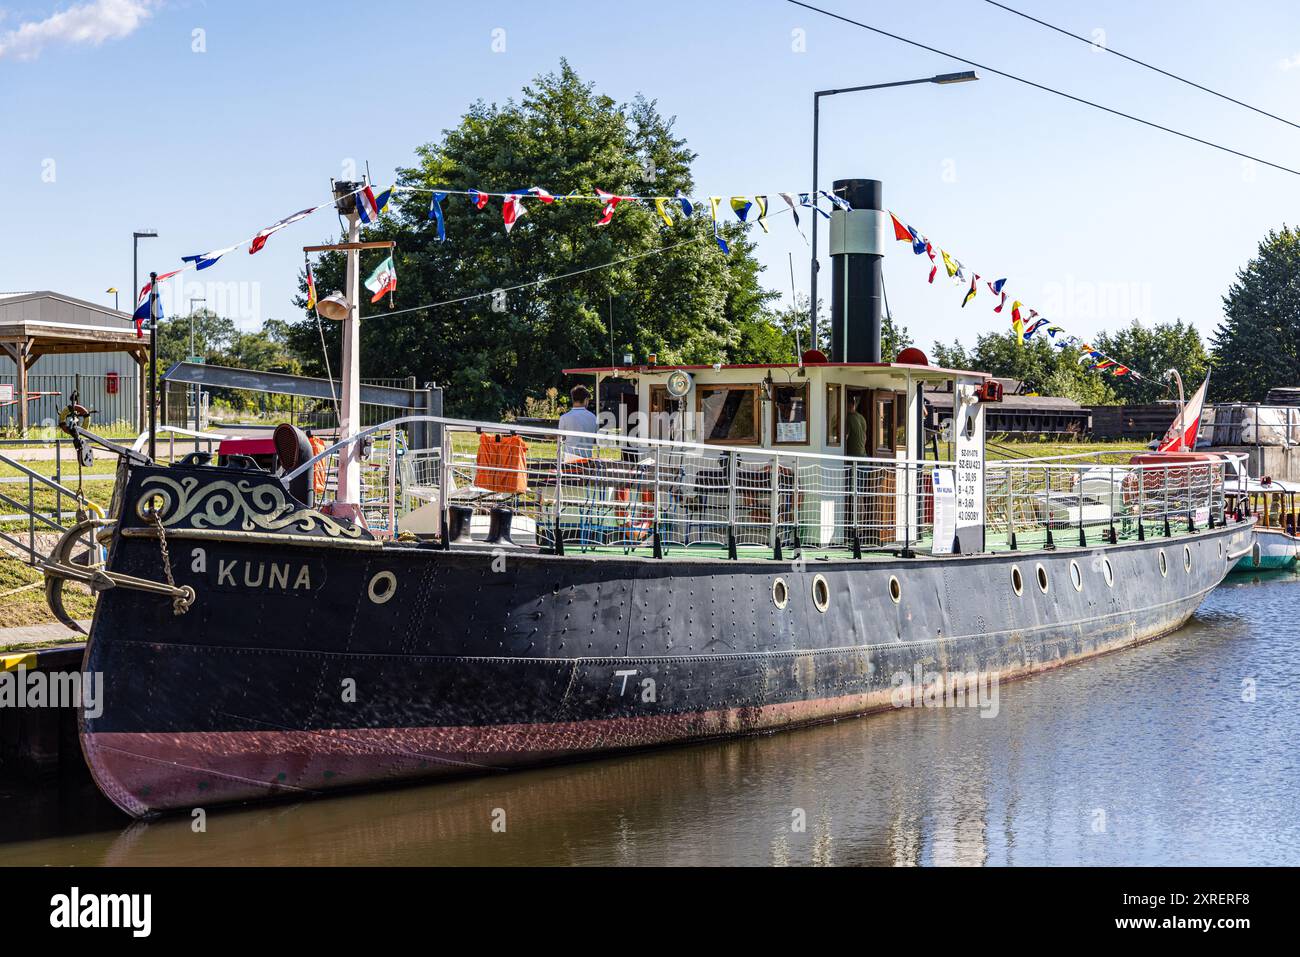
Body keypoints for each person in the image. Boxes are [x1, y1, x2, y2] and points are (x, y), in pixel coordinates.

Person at [558, 384, 599, 459]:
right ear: (586, 400)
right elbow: (596, 439)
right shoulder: (593, 418)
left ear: (573, 399)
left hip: (569, 459)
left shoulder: (564, 418)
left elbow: (561, 438)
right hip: (587, 459)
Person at [845, 394, 868, 458]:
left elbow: (845, 437)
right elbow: (865, 437)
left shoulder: (848, 418)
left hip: (852, 457)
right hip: (863, 456)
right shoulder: (861, 418)